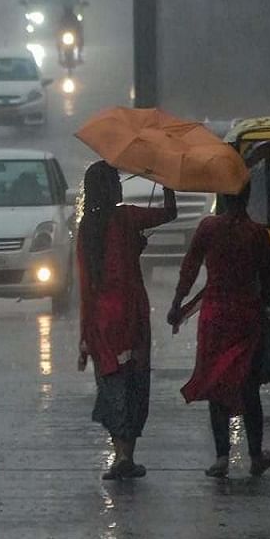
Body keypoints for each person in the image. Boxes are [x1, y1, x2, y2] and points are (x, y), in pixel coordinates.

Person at [77, 161, 177, 479]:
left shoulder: (86, 228)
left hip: (102, 321)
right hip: (132, 315)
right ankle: (127, 455)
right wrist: (166, 181)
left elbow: (85, 286)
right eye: (116, 181)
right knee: (134, 383)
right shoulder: (126, 217)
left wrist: (84, 336)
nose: (121, 186)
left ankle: (120, 453)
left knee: (111, 384)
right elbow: (168, 213)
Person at [169, 184, 270, 478]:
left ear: (224, 197)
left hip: (214, 318)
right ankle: (255, 454)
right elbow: (268, 279)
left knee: (216, 382)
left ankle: (221, 457)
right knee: (249, 386)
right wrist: (260, 307)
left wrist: (177, 303)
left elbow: (189, 268)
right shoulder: (257, 234)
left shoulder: (208, 228)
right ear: (247, 198)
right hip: (245, 317)